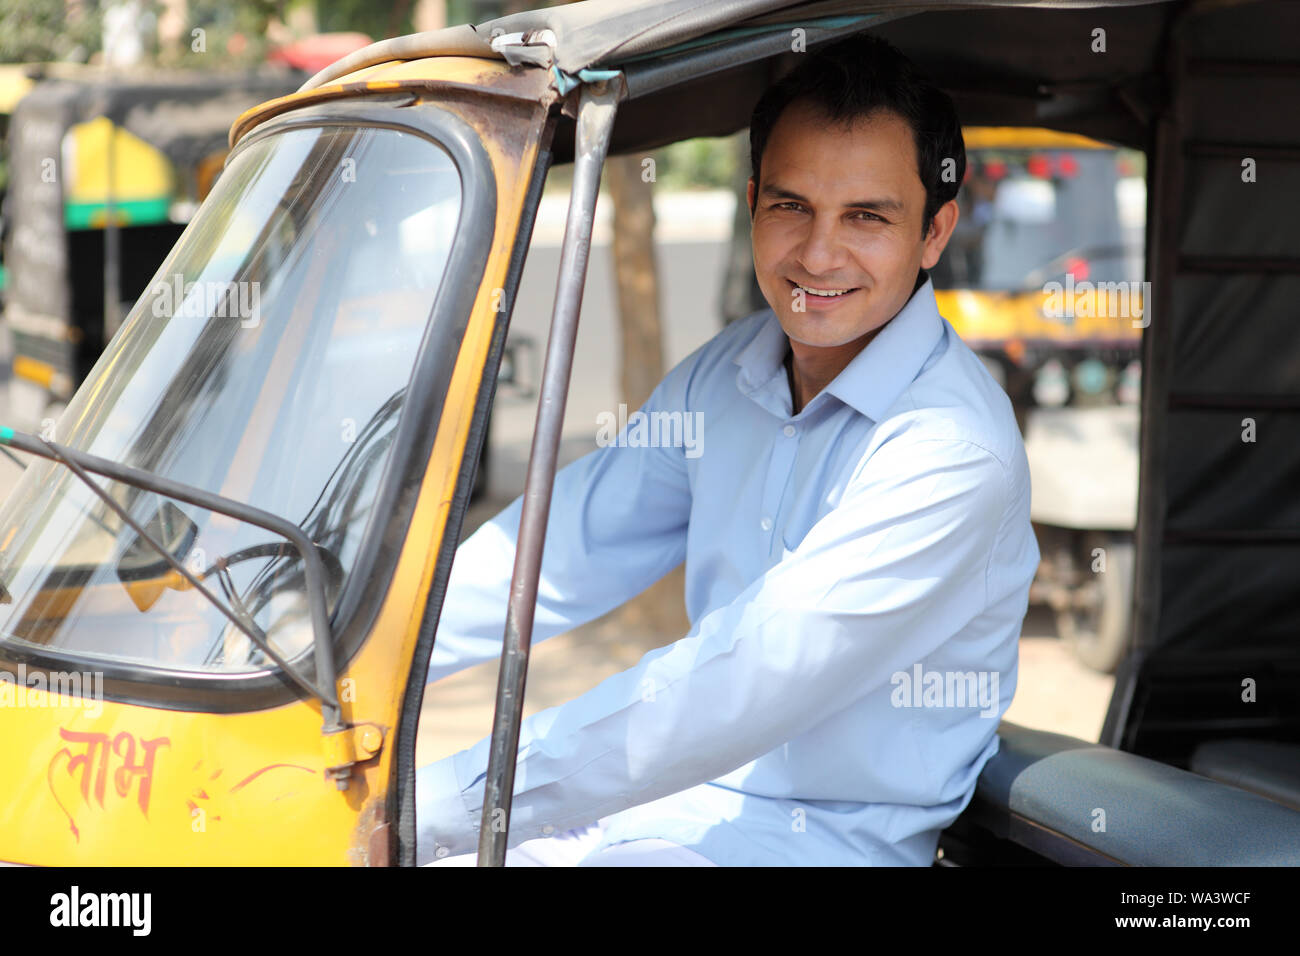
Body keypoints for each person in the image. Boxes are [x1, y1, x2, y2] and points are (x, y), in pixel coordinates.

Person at [417, 32, 1038, 867]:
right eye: (791, 207)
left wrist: (443, 805)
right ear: (751, 202)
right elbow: (564, 547)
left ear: (934, 233)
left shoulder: (952, 449)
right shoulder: (735, 368)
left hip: (807, 845)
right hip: (656, 813)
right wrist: (344, 654)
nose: (818, 255)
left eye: (867, 217)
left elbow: (741, 680)